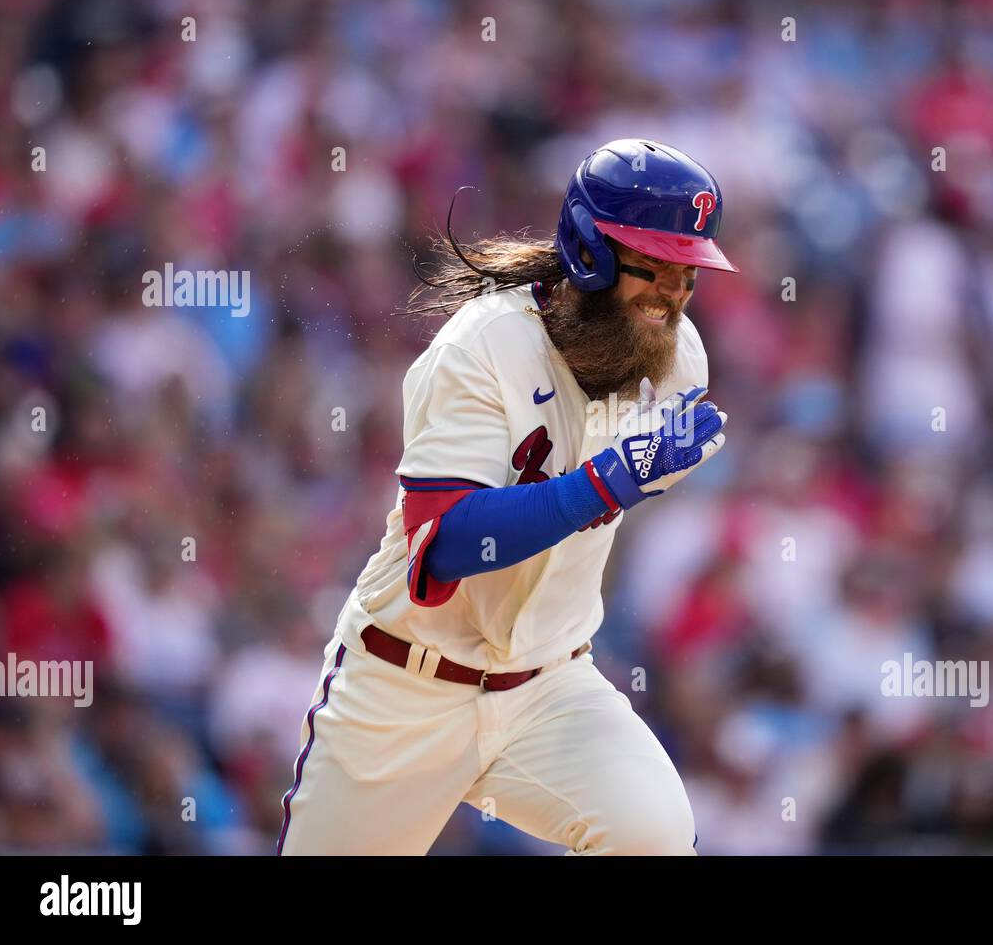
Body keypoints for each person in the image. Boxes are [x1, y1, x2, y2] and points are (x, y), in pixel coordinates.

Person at [277, 139, 737, 855]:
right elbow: (447, 544)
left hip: (550, 689)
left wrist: (612, 483)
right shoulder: (484, 344)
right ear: (591, 251)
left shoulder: (678, 362)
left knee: (653, 836)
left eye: (688, 274)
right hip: (406, 684)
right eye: (654, 267)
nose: (672, 295)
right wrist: (603, 484)